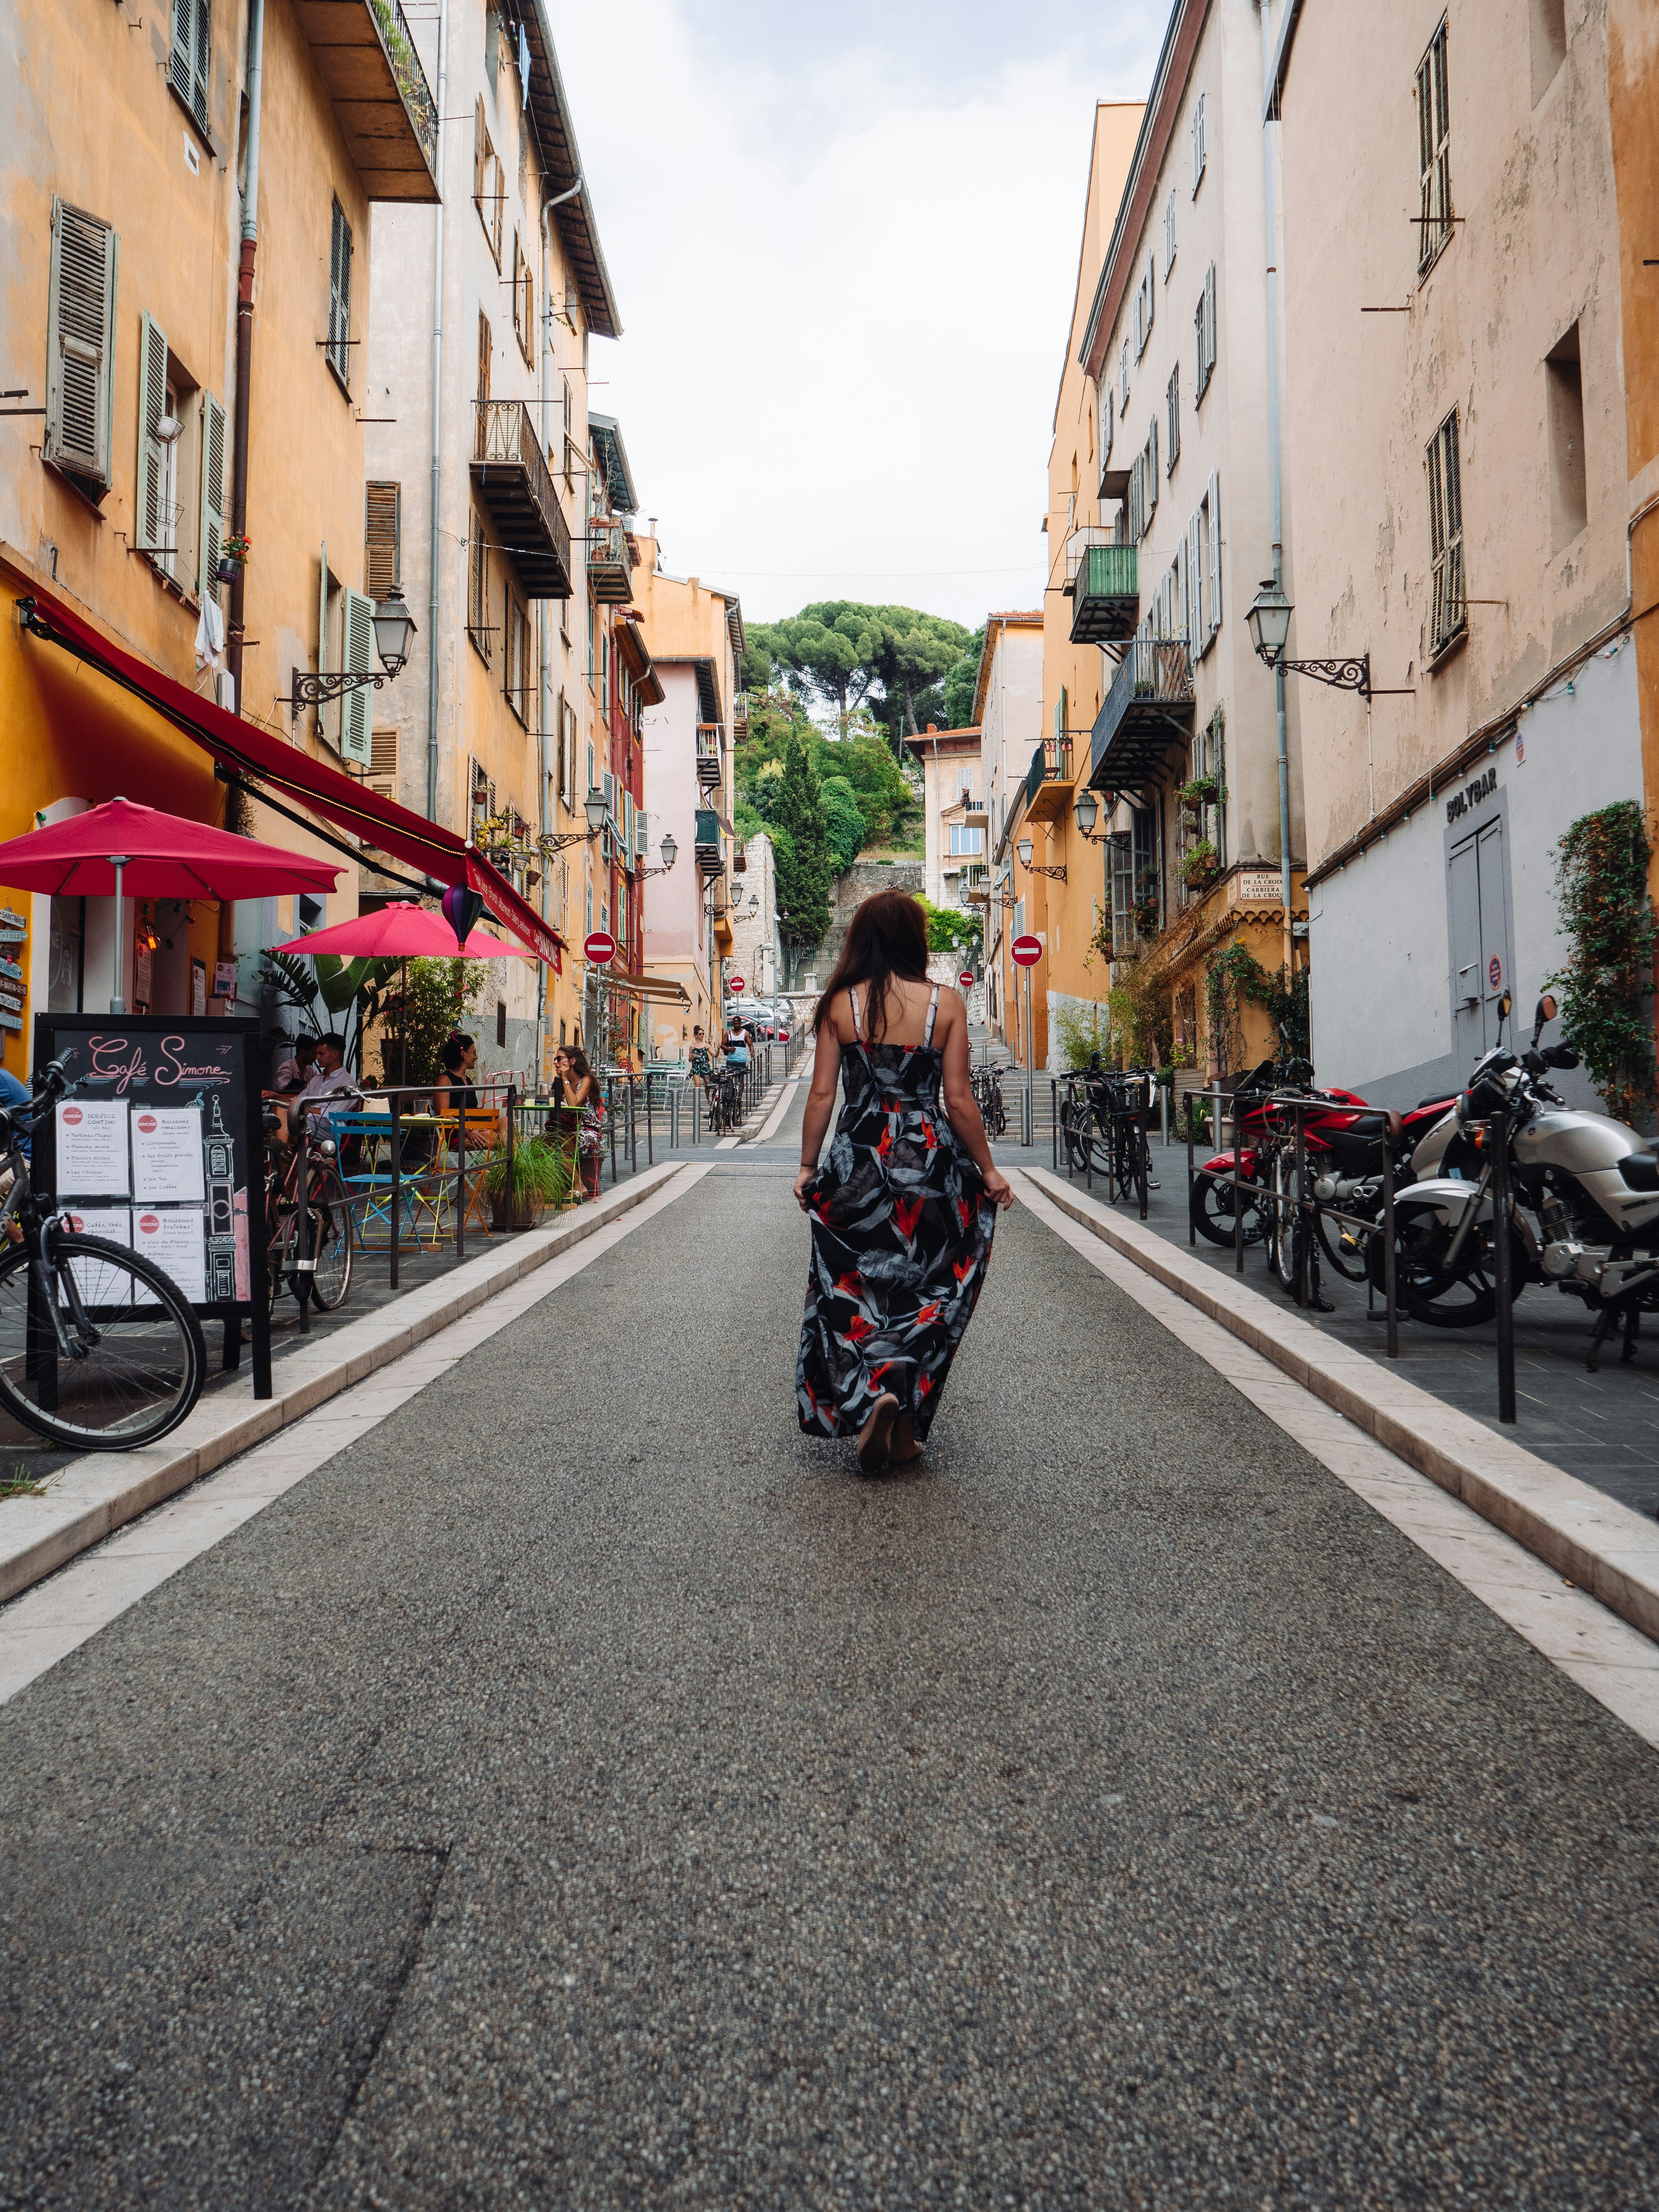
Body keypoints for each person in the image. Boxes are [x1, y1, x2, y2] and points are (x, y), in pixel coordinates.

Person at [794, 888, 1013, 1474]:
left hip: (857, 1161)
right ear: (914, 940)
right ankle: (905, 1419)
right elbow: (960, 1099)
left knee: (851, 1285)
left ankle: (874, 1401)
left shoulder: (841, 1004)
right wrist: (988, 1171)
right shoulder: (946, 1003)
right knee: (931, 1286)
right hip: (928, 1161)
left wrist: (808, 1167)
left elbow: (821, 1095)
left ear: (861, 939)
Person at [552, 1042, 603, 1198]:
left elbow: (574, 1104)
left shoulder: (586, 1080)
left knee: (562, 1142)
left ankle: (579, 1186)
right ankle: (554, 1186)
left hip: (588, 1131)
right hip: (568, 1129)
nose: (556, 1062)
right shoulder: (560, 1082)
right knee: (542, 1142)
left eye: (560, 1059)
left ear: (572, 1061)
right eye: (556, 1059)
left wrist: (565, 1079)